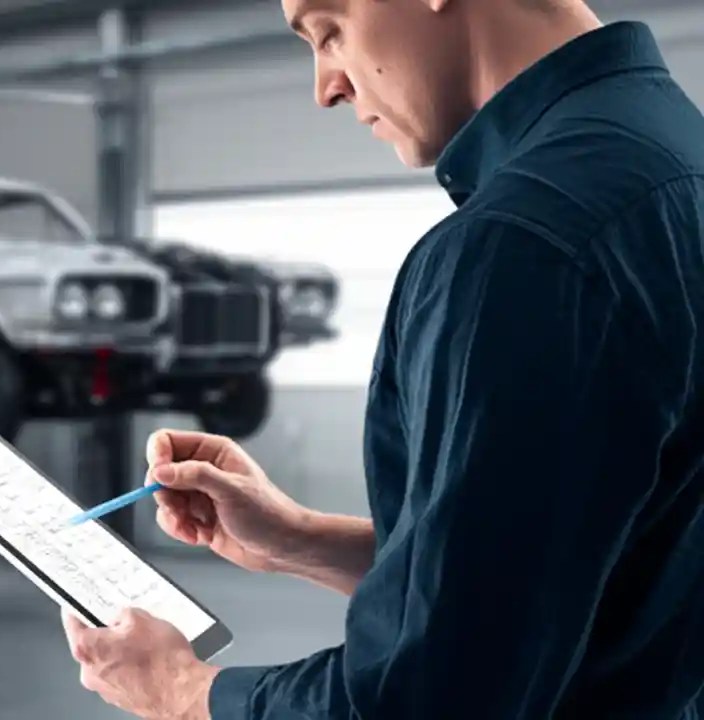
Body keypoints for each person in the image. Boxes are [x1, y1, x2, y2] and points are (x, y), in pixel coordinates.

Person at [60, 0, 704, 717]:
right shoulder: (677, 158)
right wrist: (298, 541)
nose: (326, 86)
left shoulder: (521, 247)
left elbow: (432, 699)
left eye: (328, 31)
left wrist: (184, 692)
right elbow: (590, 570)